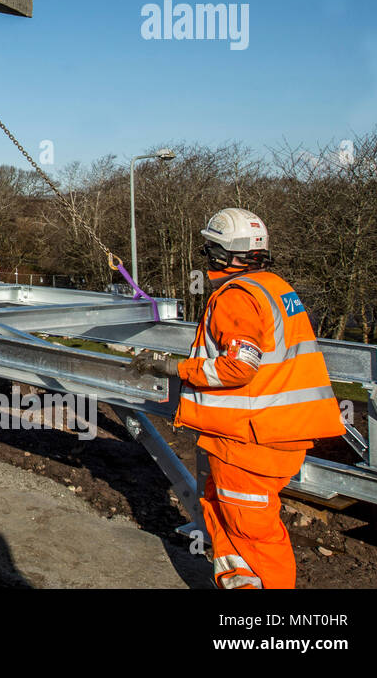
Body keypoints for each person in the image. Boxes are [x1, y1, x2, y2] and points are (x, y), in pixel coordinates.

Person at [133, 208, 344, 589]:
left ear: (222, 254)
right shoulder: (276, 288)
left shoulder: (236, 297)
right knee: (219, 510)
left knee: (254, 535)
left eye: (210, 248)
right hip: (275, 433)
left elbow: (238, 368)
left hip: (249, 440)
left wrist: (174, 369)